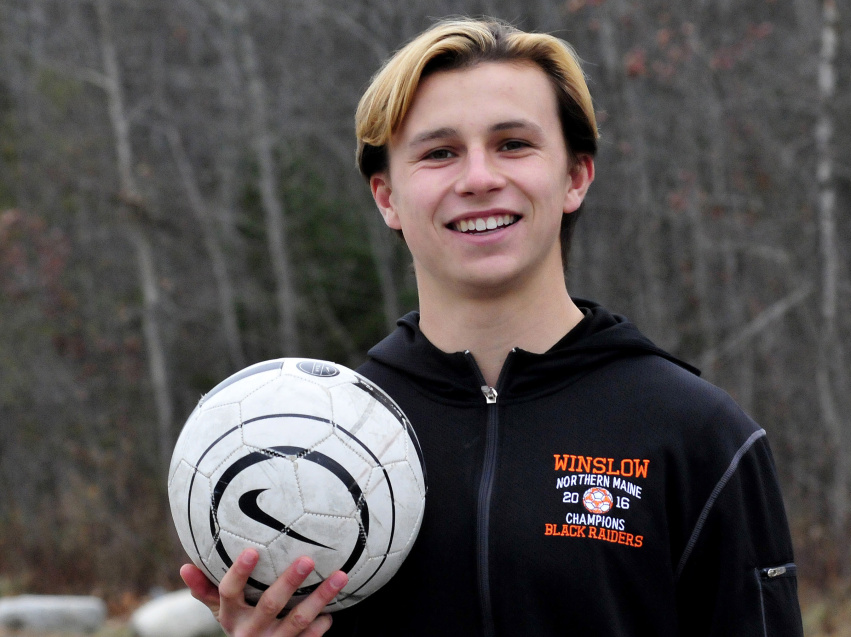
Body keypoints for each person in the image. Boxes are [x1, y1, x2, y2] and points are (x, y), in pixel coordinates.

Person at [182, 17, 804, 636]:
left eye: (513, 144)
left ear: (575, 177)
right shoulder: (322, 435)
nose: (479, 178)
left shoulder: (699, 435)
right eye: (439, 153)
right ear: (387, 197)